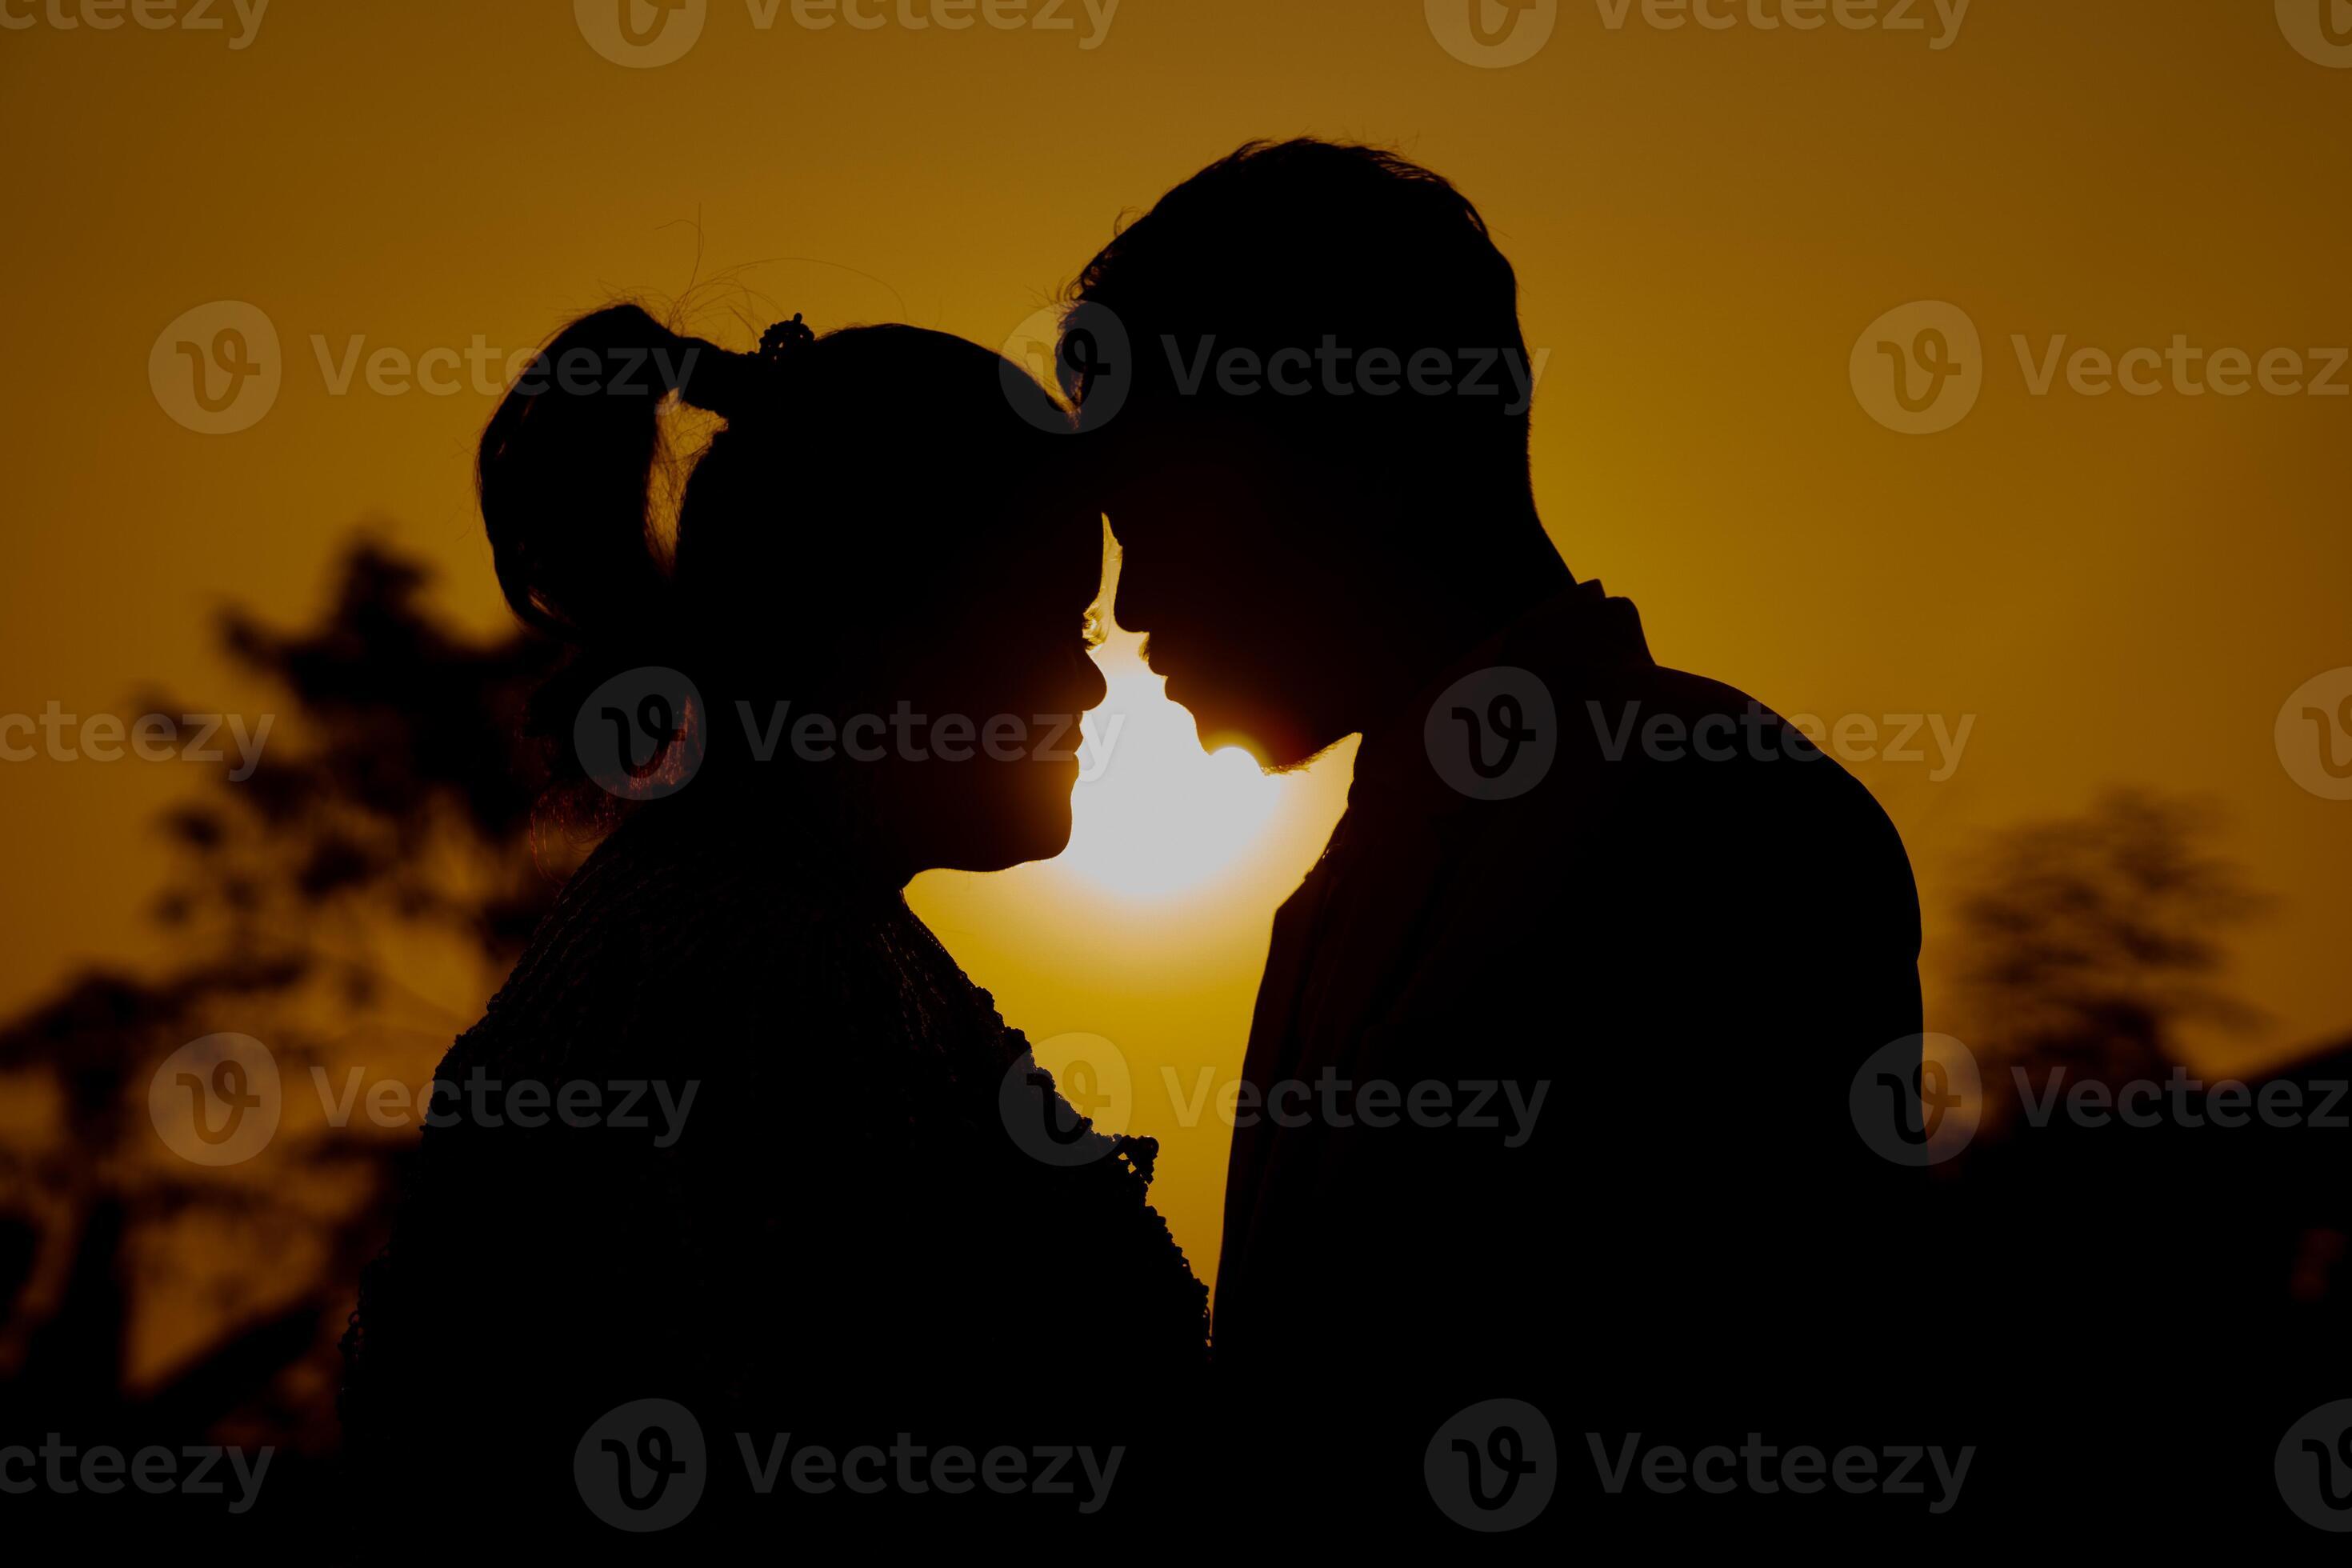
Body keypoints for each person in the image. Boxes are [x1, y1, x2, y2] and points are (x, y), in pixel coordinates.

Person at [1062, 140, 1926, 1538]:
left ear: (1363, 460)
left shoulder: (1723, 823)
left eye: (1166, 521)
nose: (1137, 604)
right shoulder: (1353, 882)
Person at [339, 305, 1206, 1546]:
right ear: (864, 637)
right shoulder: (769, 980)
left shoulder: (765, 928)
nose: (1084, 684)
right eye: (1043, 626)